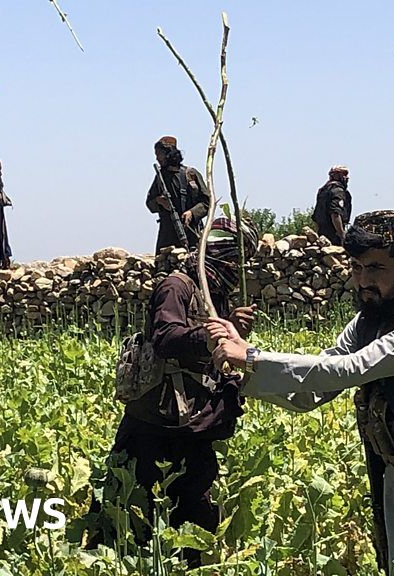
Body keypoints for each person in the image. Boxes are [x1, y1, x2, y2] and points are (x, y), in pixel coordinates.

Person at [208, 210, 394, 576]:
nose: (363, 280)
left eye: (375, 268)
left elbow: (352, 368)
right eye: (356, 268)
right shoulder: (369, 319)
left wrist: (254, 358)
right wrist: (243, 373)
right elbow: (313, 390)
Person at [102, 217, 258, 567]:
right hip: (158, 425)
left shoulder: (211, 291)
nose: (238, 269)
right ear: (222, 254)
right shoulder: (177, 287)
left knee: (193, 515)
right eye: (237, 260)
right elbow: (166, 339)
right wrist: (210, 336)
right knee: (139, 516)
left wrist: (230, 325)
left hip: (189, 424)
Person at [145, 136, 211, 252]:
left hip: (191, 232)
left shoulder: (191, 174)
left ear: (169, 153)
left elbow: (207, 202)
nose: (157, 158)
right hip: (167, 236)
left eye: (159, 154)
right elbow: (150, 203)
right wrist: (159, 201)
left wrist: (192, 213)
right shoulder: (160, 177)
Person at [312, 165, 353, 245]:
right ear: (337, 176)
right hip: (334, 235)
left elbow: (316, 217)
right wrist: (342, 235)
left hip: (322, 236)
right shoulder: (338, 191)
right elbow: (335, 214)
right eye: (344, 174)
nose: (347, 178)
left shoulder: (323, 190)